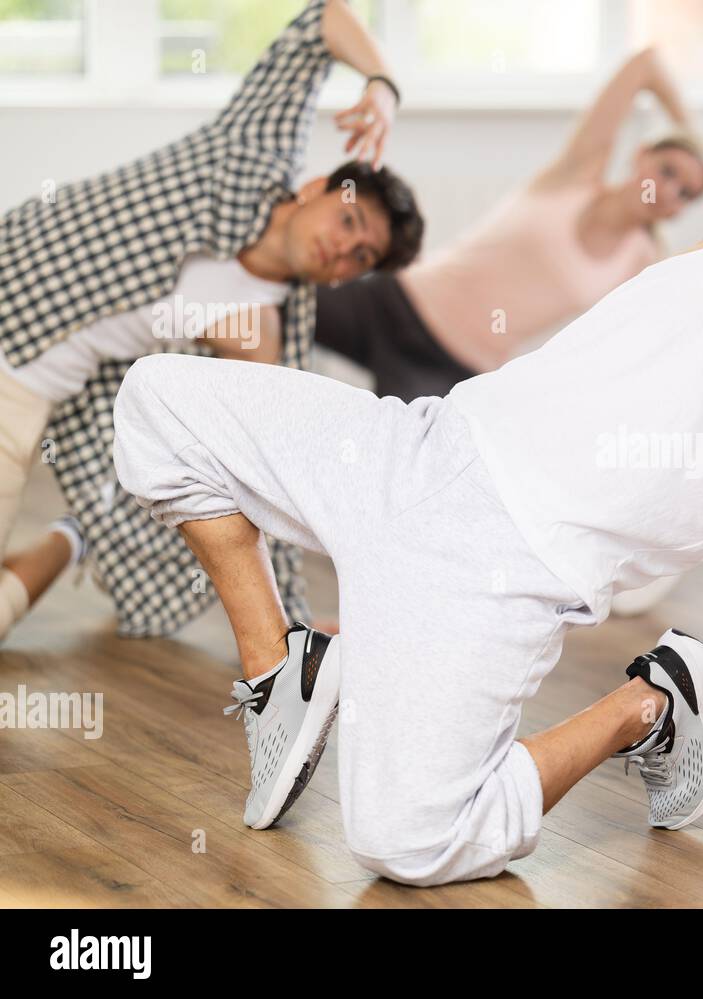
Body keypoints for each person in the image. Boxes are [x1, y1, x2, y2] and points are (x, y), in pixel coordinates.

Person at [112, 0, 703, 885]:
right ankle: (282, 672)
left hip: (509, 577)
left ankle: (648, 704)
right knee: (156, 402)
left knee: (406, 844)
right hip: (424, 446)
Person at [0, 0, 423, 645]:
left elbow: (268, 480)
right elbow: (324, 19)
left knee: (151, 526)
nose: (344, 249)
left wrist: (300, 628)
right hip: (10, 274)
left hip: (23, 397)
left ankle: (70, 538)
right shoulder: (246, 156)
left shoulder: (263, 330)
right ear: (314, 189)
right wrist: (384, 88)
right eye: (348, 222)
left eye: (361, 257)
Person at [312, 47, 703, 403]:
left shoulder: (643, 260)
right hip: (395, 302)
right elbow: (645, 64)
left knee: (408, 471)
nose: (669, 190)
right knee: (269, 295)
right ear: (641, 155)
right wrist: (692, 137)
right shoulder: (576, 175)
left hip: (453, 370)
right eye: (667, 171)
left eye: (686, 193)